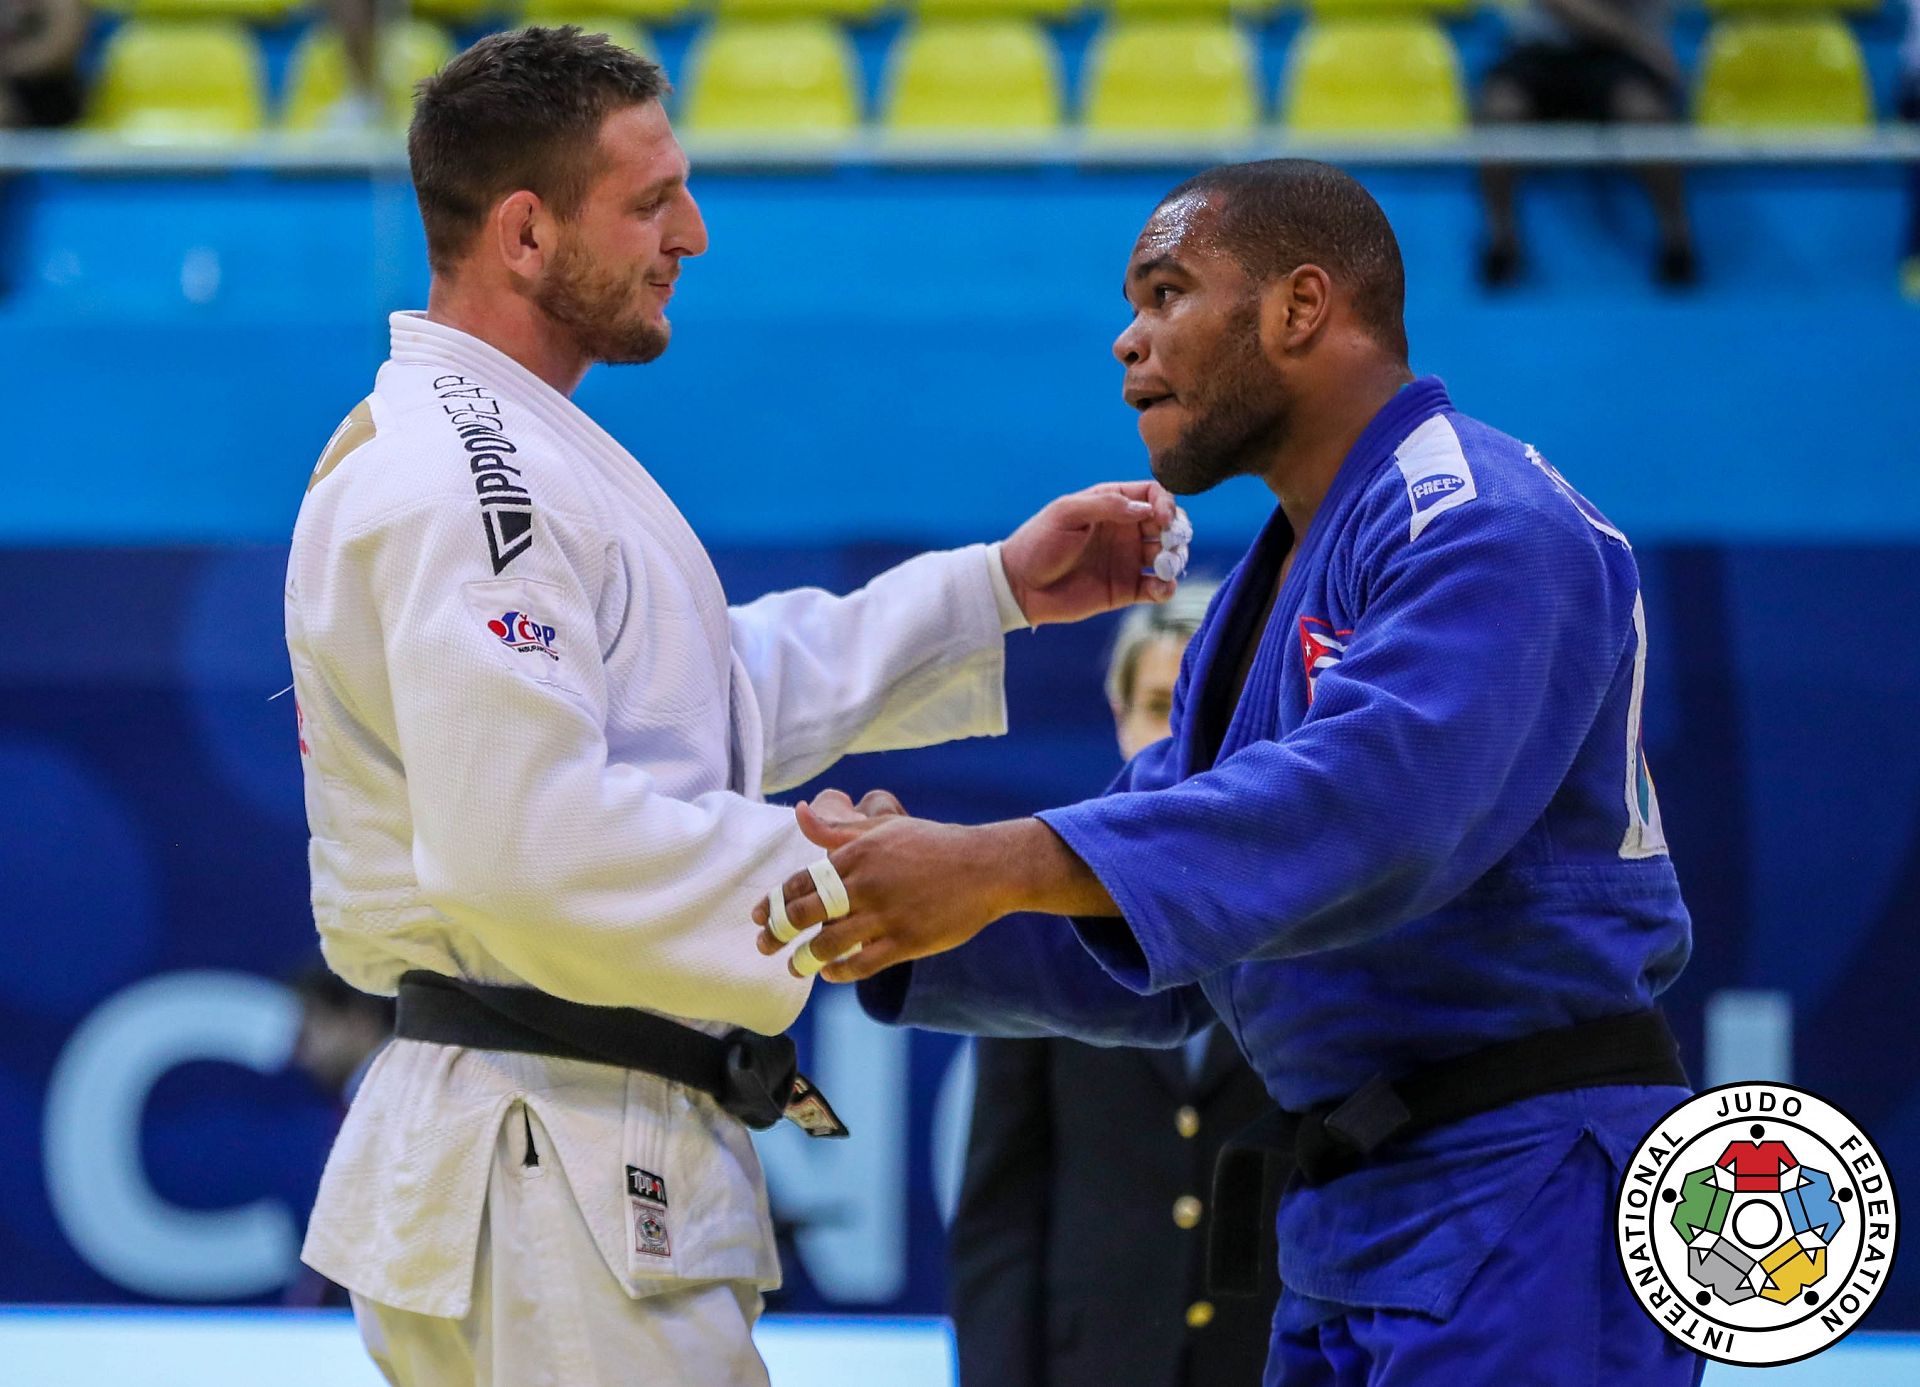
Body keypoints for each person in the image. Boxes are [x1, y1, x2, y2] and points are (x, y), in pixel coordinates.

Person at [285, 26, 1182, 1387]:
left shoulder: (506, 452)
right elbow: (521, 843)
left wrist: (993, 590)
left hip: (561, 1150)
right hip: (555, 1161)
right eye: (651, 201)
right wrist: (839, 878)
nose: (693, 233)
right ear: (525, 233)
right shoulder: (479, 484)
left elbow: (699, 695)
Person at [753, 159, 1704, 1386]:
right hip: (1358, 1211)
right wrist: (904, 912)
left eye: (1166, 293)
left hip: (1530, 1185)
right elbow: (1174, 910)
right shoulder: (1280, 580)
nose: (1127, 340)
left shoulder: (1480, 515)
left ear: (1301, 306)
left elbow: (1370, 812)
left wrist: (990, 864)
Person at [951, 579, 1281, 1387]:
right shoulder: (1046, 908)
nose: (1177, 735)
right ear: (1118, 715)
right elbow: (1003, 1207)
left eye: (1206, 706)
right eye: (1159, 705)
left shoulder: (1325, 903)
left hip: (1276, 1358)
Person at [1475, 0, 1697, 288]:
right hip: (1543, 52)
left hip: (1618, 59)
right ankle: (1501, 240)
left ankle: (1676, 237)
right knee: (1499, 109)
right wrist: (1641, 42)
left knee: (1646, 114)